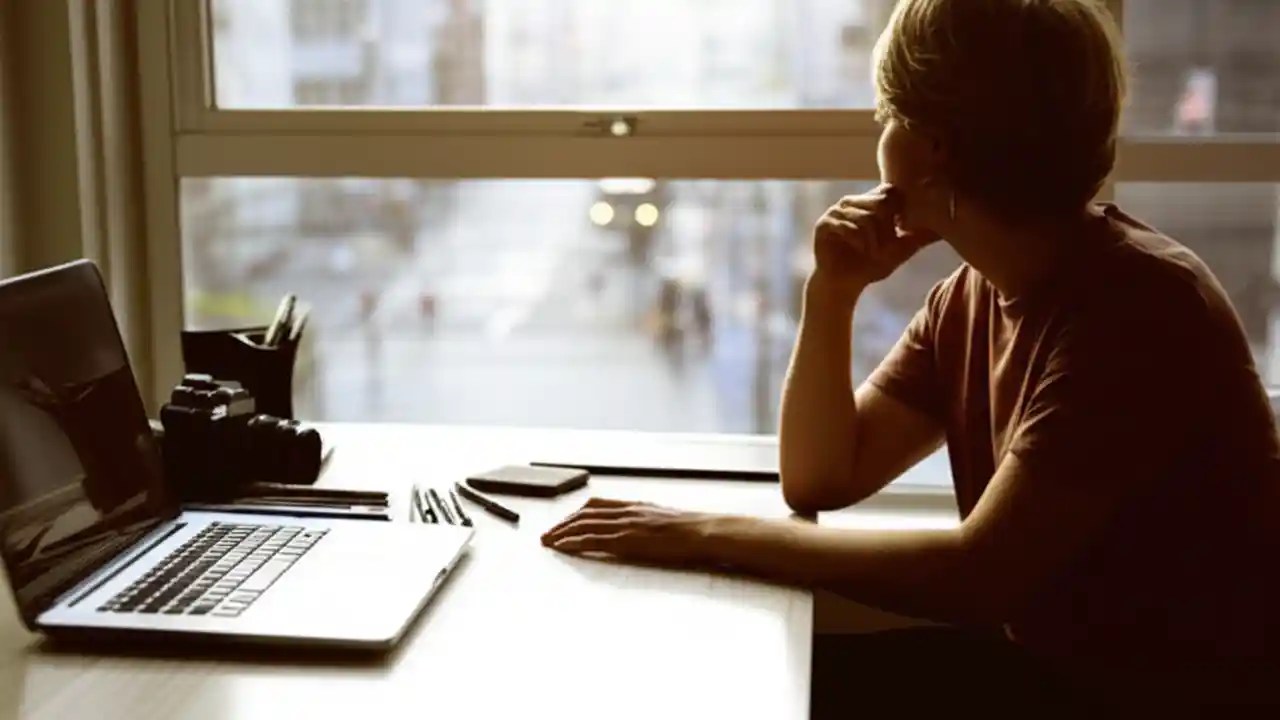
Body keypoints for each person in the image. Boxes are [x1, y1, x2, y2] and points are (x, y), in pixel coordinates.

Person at [542, 0, 1280, 712]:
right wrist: (830, 295)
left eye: (887, 114)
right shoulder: (971, 296)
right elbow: (822, 476)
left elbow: (977, 577)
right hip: (1059, 675)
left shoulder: (1139, 307)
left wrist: (700, 534)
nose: (879, 132)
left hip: (1160, 698)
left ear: (932, 147)